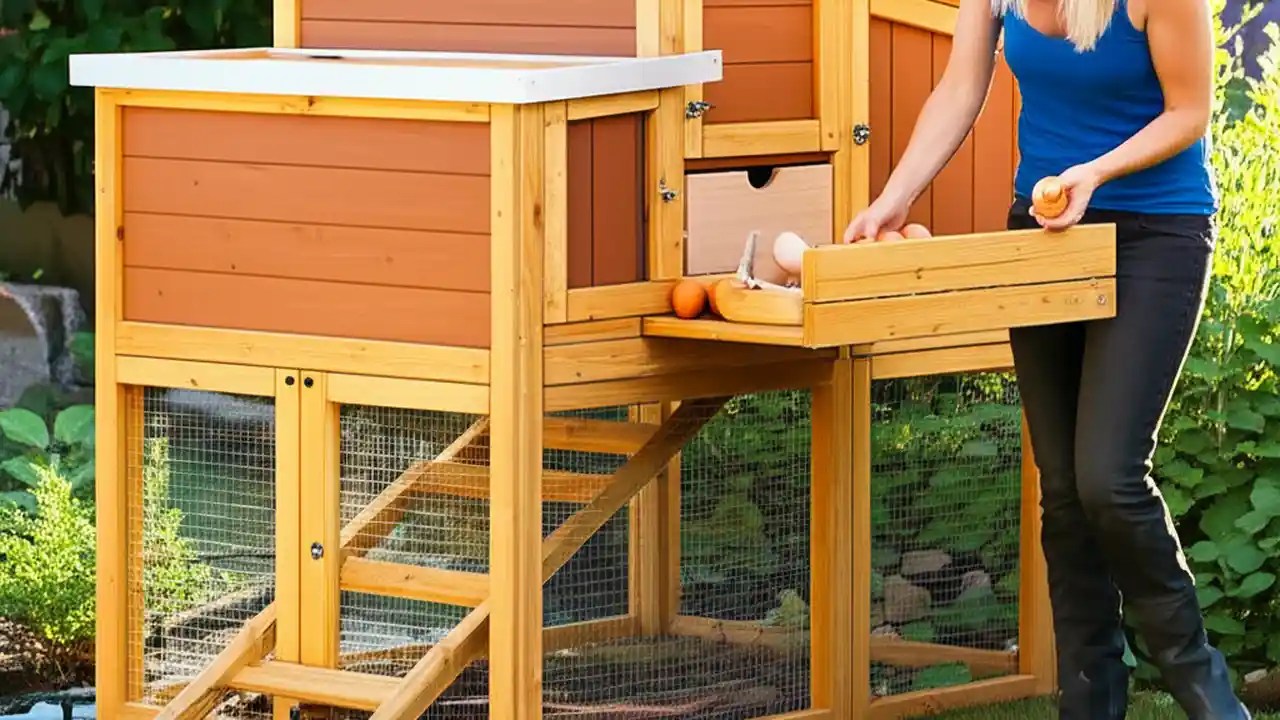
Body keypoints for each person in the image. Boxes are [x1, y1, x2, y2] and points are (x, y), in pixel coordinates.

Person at [842, 0, 1252, 718]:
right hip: (1048, 236)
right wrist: (892, 200)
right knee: (1062, 490)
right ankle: (1090, 704)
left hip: (1157, 232)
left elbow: (1190, 112)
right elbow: (961, 87)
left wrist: (1094, 171)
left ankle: (1210, 698)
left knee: (1109, 479)